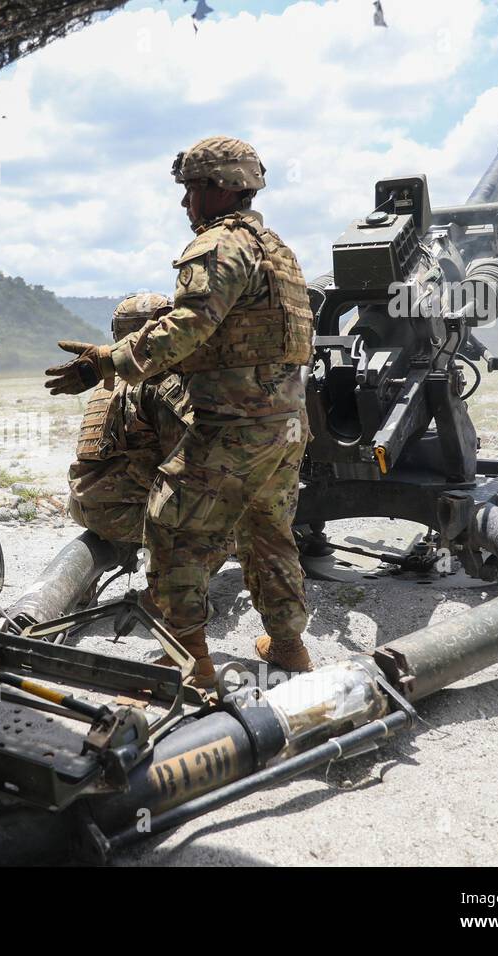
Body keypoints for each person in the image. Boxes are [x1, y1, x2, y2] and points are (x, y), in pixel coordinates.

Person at [46, 135, 314, 675]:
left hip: (231, 426)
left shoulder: (220, 245)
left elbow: (188, 325)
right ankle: (289, 647)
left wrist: (105, 363)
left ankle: (188, 664)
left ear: (218, 190)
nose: (185, 203)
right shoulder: (277, 250)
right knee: (267, 533)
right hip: (284, 425)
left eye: (191, 189)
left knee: (171, 533)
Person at [67, 293, 172, 547]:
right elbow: (181, 461)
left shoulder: (108, 383)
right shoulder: (158, 384)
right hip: (125, 514)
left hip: (83, 505)